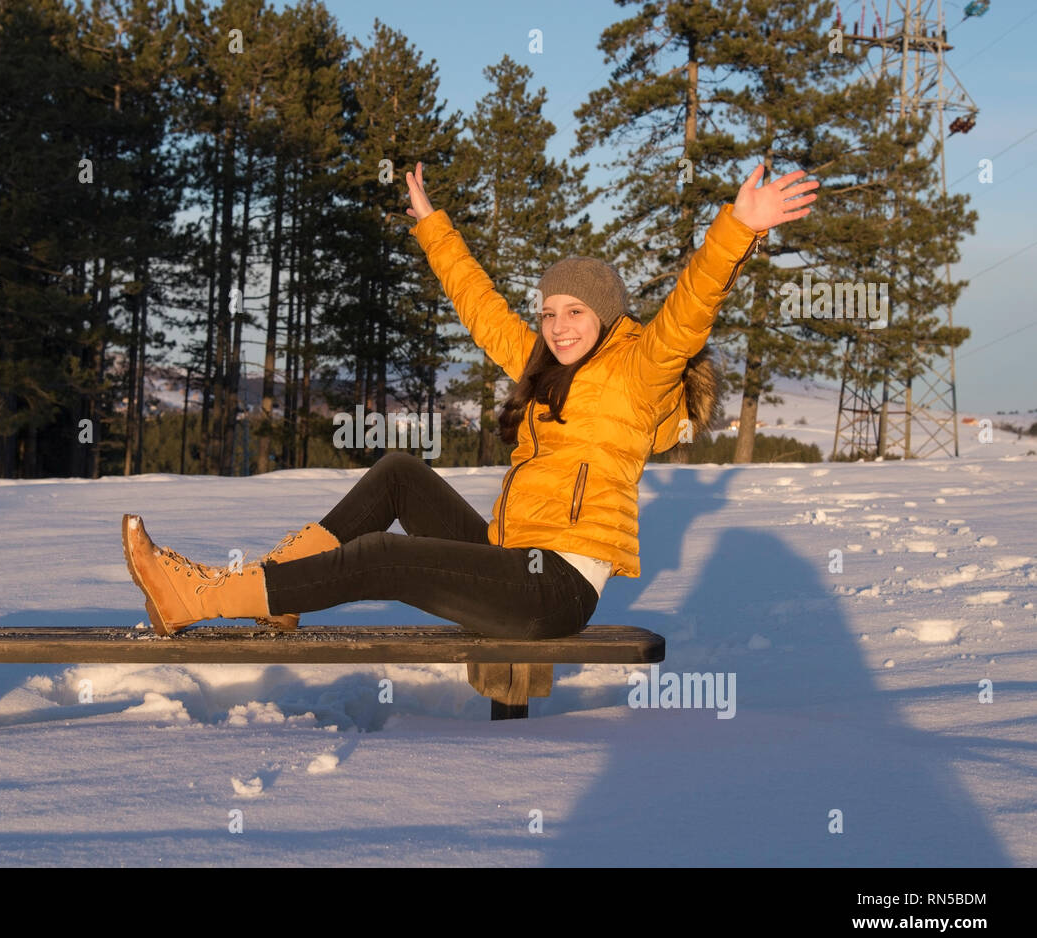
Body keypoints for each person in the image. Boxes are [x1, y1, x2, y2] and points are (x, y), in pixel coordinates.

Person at [123, 161, 818, 638]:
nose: (557, 325)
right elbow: (481, 307)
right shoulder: (544, 364)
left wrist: (737, 229)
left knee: (380, 559)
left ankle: (203, 598)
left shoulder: (641, 370)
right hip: (511, 553)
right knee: (399, 474)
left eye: (574, 311)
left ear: (606, 316)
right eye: (549, 311)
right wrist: (432, 224)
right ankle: (279, 597)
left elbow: (691, 308)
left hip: (555, 584)